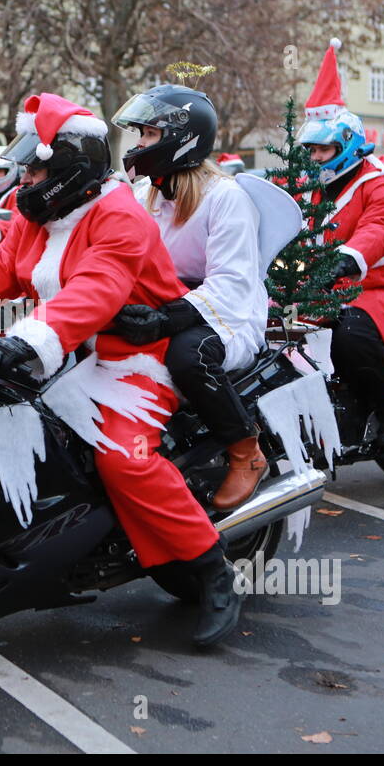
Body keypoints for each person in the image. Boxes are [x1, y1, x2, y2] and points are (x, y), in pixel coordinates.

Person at [0, 92, 242, 650]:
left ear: (68, 165)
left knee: (122, 459)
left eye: (37, 167)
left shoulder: (118, 214)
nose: (27, 177)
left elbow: (97, 290)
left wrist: (28, 340)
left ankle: (214, 572)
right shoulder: (35, 214)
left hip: (133, 356)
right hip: (67, 353)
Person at [108, 84, 269, 512]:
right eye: (139, 134)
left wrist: (166, 319)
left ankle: (245, 450)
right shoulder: (145, 194)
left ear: (183, 139)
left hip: (226, 314)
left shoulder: (226, 198)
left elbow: (233, 283)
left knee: (187, 357)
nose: (138, 145)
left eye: (148, 135)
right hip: (167, 302)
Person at [297, 40, 384, 450]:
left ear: (347, 145)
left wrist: (346, 260)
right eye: (310, 150)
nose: (314, 158)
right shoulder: (310, 190)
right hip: (319, 288)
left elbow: (378, 231)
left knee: (348, 333)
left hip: (378, 290)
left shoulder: (382, 184)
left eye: (323, 149)